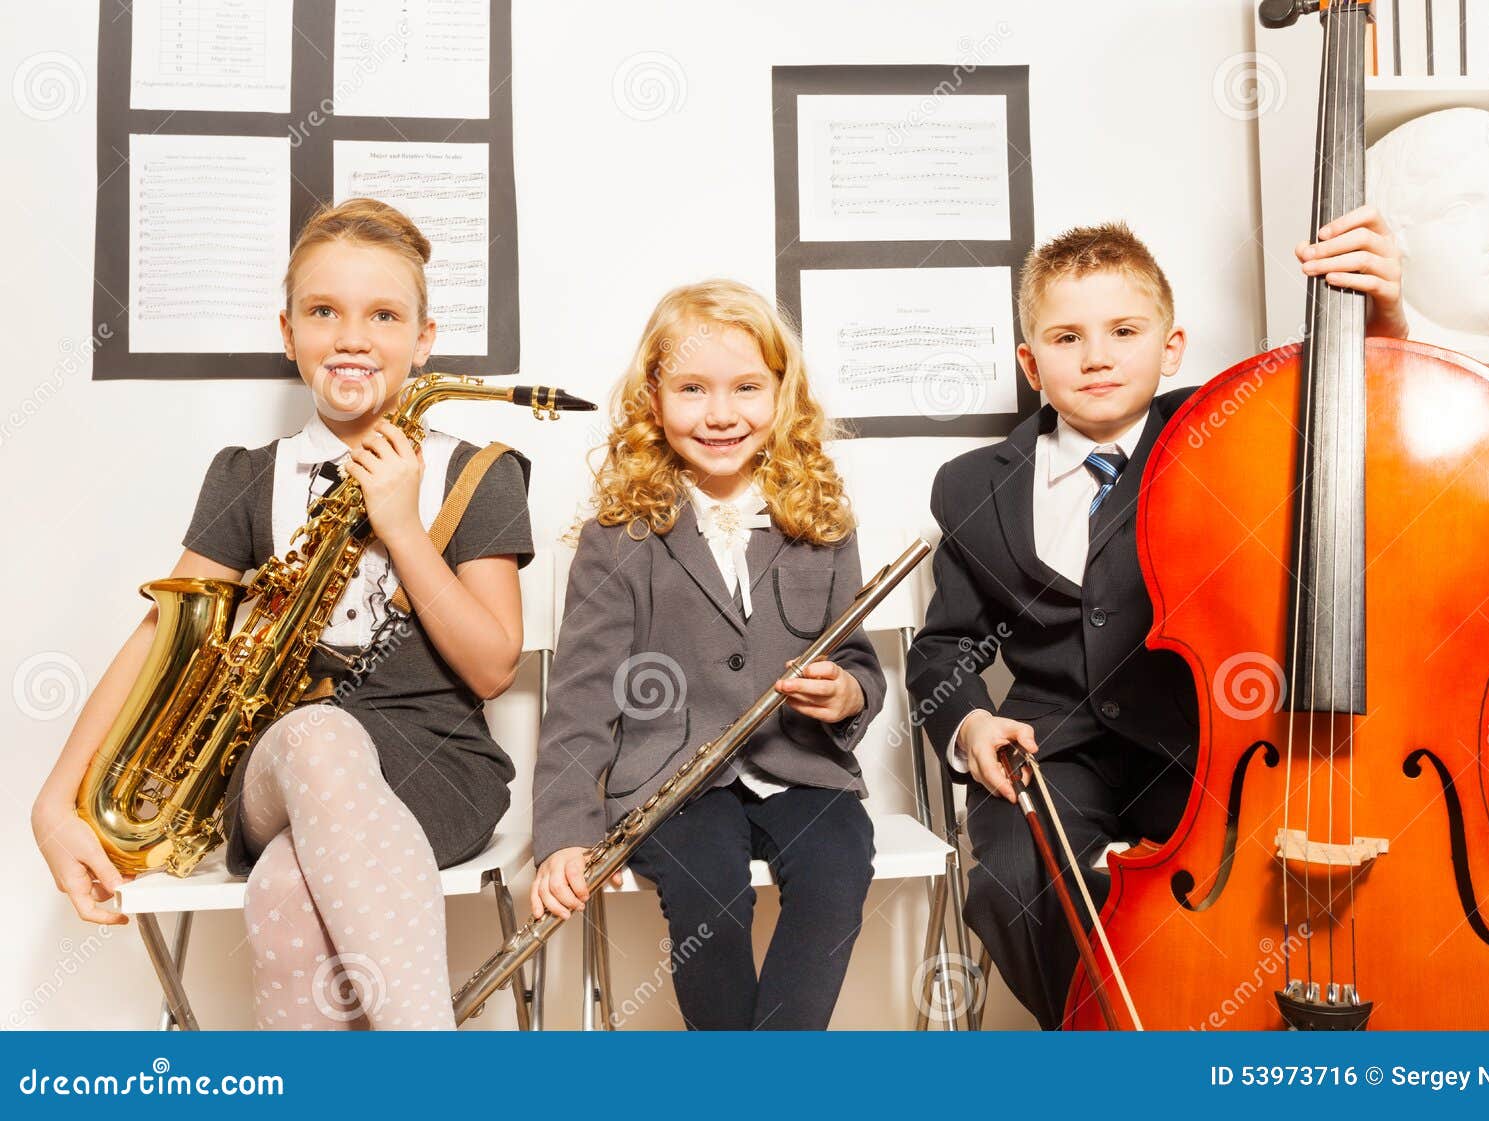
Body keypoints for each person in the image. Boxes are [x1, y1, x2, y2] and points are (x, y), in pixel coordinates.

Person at [32, 197, 534, 1029]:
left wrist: (402, 525)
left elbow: (492, 665)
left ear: (424, 340)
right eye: (322, 311)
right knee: (315, 734)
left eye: (384, 314)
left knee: (288, 885)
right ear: (289, 330)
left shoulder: (478, 474)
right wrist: (57, 805)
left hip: (436, 774)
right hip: (276, 763)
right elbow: (164, 634)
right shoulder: (248, 476)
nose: (351, 335)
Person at [907, 207, 1408, 1029]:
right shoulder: (971, 484)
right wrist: (968, 723)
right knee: (1008, 878)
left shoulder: (1229, 429)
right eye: (1066, 338)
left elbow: (1358, 425)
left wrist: (1381, 319)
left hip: (1206, 745)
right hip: (1051, 747)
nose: (1096, 356)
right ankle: (1100, 1056)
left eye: (1124, 330)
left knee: (1247, 900)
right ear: (1032, 364)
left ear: (1170, 348)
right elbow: (946, 644)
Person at [530, 279, 885, 1030]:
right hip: (672, 785)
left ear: (782, 395)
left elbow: (857, 661)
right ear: (654, 400)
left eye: (746, 387)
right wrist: (564, 831)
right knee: (711, 897)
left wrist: (846, 694)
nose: (721, 414)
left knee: (838, 872)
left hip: (800, 771)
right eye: (693, 388)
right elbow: (581, 696)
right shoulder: (618, 535)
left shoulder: (821, 520)